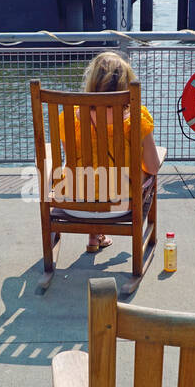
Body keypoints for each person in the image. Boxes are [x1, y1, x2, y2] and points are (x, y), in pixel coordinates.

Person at [59, 51, 164, 253]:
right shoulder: (136, 118)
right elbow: (152, 167)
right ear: (126, 83)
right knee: (144, 171)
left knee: (86, 173)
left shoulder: (69, 118)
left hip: (74, 203)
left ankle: (93, 236)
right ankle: (138, 242)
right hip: (120, 205)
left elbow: (70, 161)